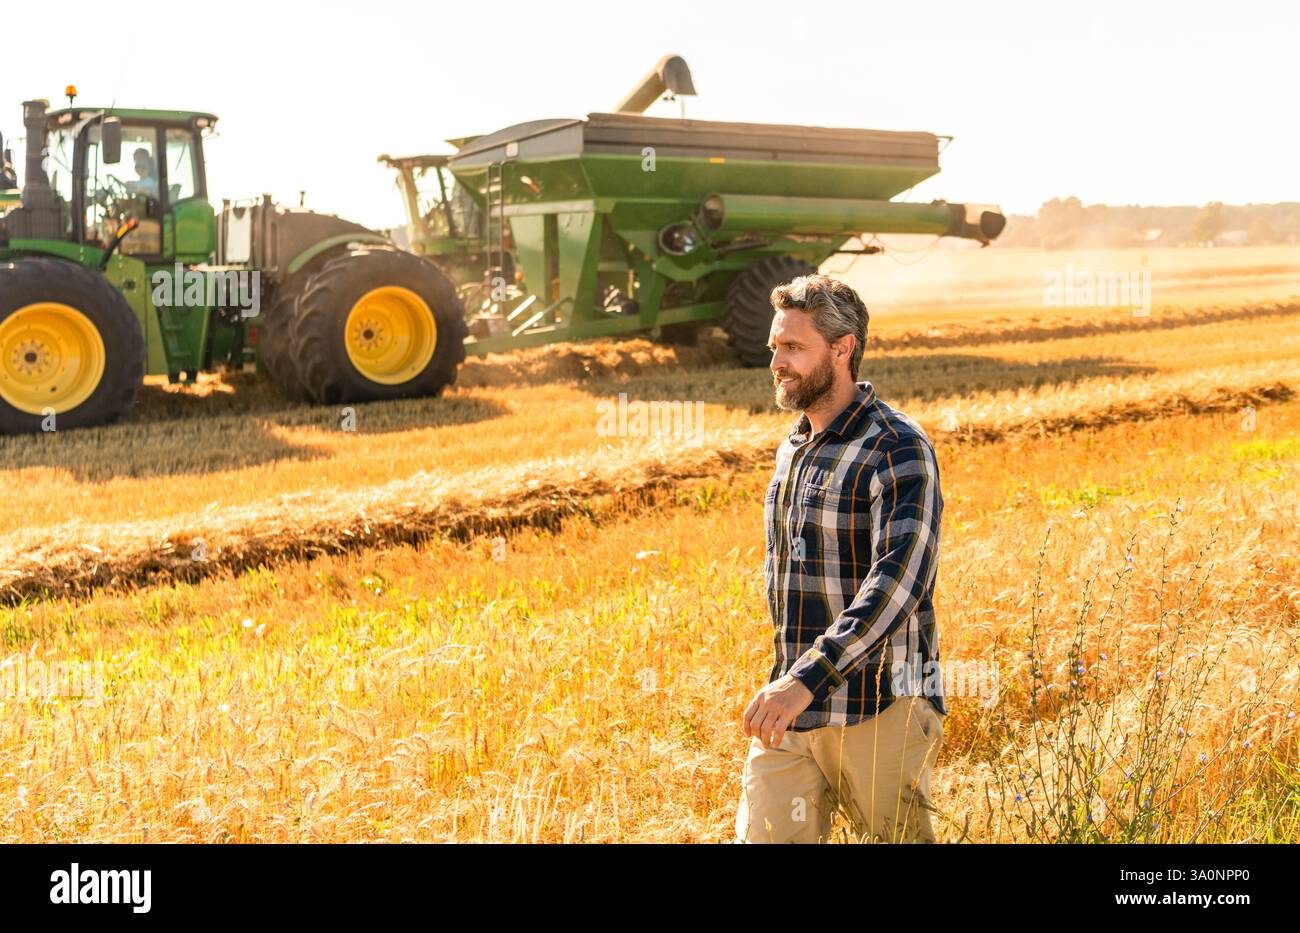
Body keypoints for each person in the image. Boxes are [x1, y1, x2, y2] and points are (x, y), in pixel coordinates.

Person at [735, 273, 946, 844]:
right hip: (793, 709)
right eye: (775, 347)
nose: (777, 362)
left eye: (794, 348)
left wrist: (809, 677)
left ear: (843, 348)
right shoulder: (794, 445)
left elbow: (898, 584)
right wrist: (792, 683)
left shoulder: (897, 446)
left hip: (880, 705)